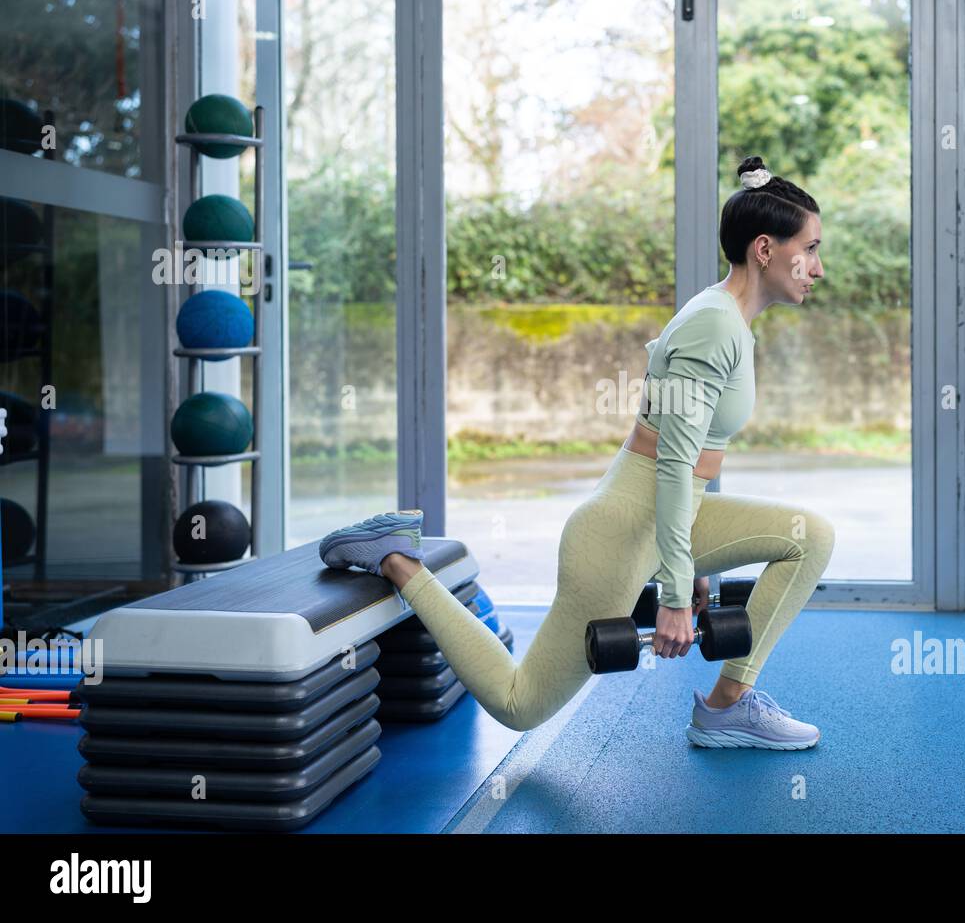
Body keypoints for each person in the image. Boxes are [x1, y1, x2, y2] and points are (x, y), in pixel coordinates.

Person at [320, 155, 835, 750]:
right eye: (812, 249)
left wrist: (690, 565)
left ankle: (728, 706)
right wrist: (672, 595)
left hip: (672, 516)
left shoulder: (732, 323)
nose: (818, 269)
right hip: (618, 533)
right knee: (520, 703)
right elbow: (671, 464)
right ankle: (396, 560)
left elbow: (692, 470)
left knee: (810, 535)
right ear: (766, 249)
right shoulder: (714, 326)